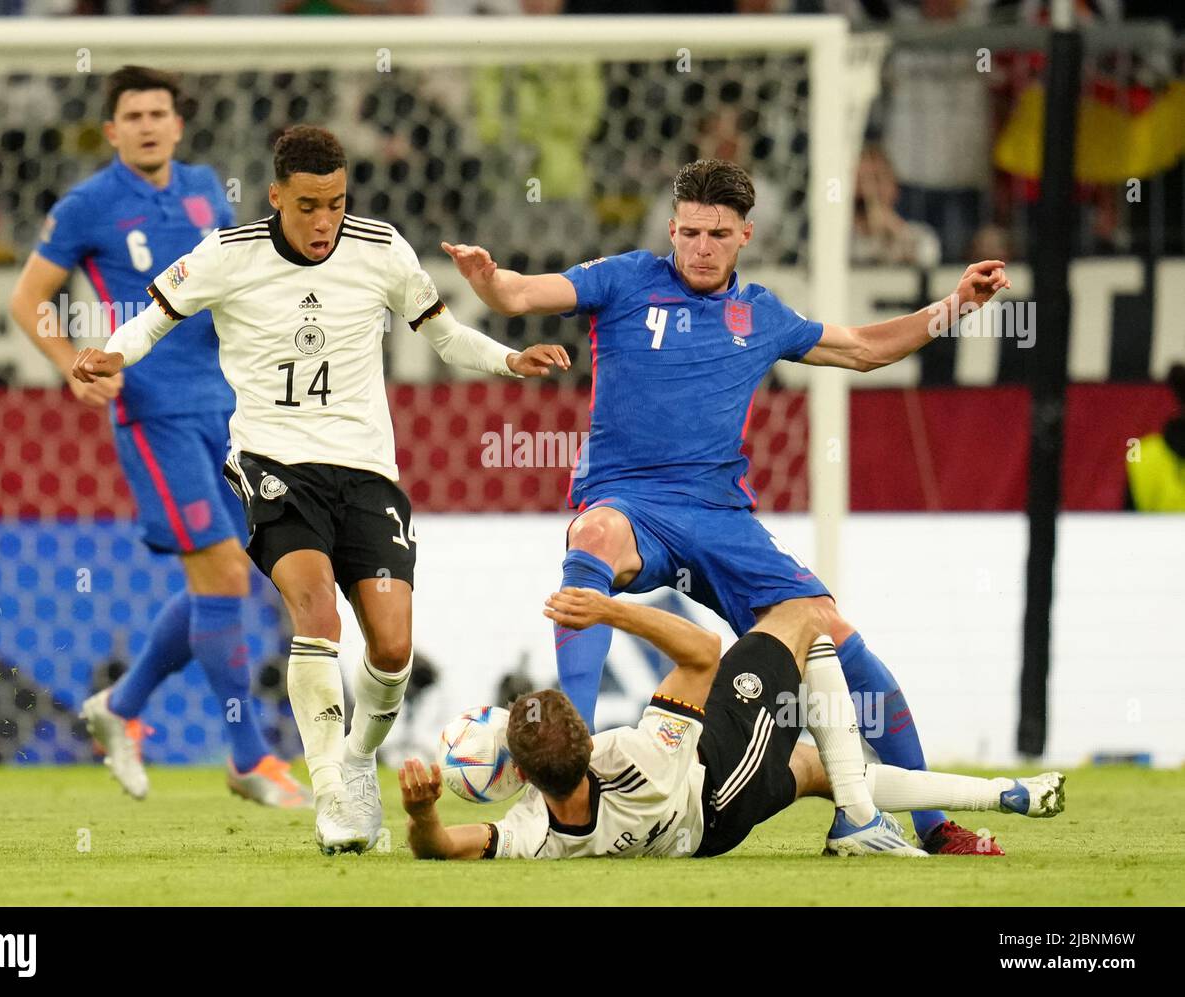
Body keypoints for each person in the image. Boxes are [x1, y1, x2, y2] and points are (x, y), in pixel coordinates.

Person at [441, 157, 1014, 855]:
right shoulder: (623, 279)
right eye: (689, 232)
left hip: (721, 519)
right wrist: (488, 280)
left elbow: (863, 348)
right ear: (672, 229)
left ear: (745, 234)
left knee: (835, 637)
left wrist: (954, 305)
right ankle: (574, 763)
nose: (701, 247)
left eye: (717, 233)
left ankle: (933, 825)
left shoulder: (762, 314)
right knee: (592, 532)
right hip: (632, 504)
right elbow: (523, 292)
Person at [71, 125, 570, 854]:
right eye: (307, 205)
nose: (323, 221)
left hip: (366, 471)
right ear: (276, 196)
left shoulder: (382, 249)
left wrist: (508, 359)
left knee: (393, 648)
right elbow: (156, 317)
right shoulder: (228, 254)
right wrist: (109, 351)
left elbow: (445, 334)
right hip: (275, 464)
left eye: (335, 203)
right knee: (314, 612)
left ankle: (360, 758)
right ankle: (332, 792)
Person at [8, 66, 307, 809]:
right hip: (154, 413)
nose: (147, 124)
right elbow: (27, 299)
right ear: (111, 131)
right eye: (132, 115)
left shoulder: (206, 186)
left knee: (226, 573)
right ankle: (247, 756)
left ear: (178, 125)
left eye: (159, 112)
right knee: (226, 575)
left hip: (229, 408)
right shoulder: (89, 205)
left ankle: (121, 705)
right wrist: (69, 365)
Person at [399, 587, 1065, 861]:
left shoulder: (532, 831)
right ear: (583, 734)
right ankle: (863, 825)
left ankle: (1005, 792)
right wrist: (612, 611)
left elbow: (441, 847)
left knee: (820, 770)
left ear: (522, 776)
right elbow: (701, 652)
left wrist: (423, 811)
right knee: (805, 616)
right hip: (714, 785)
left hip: (704, 832)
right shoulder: (633, 752)